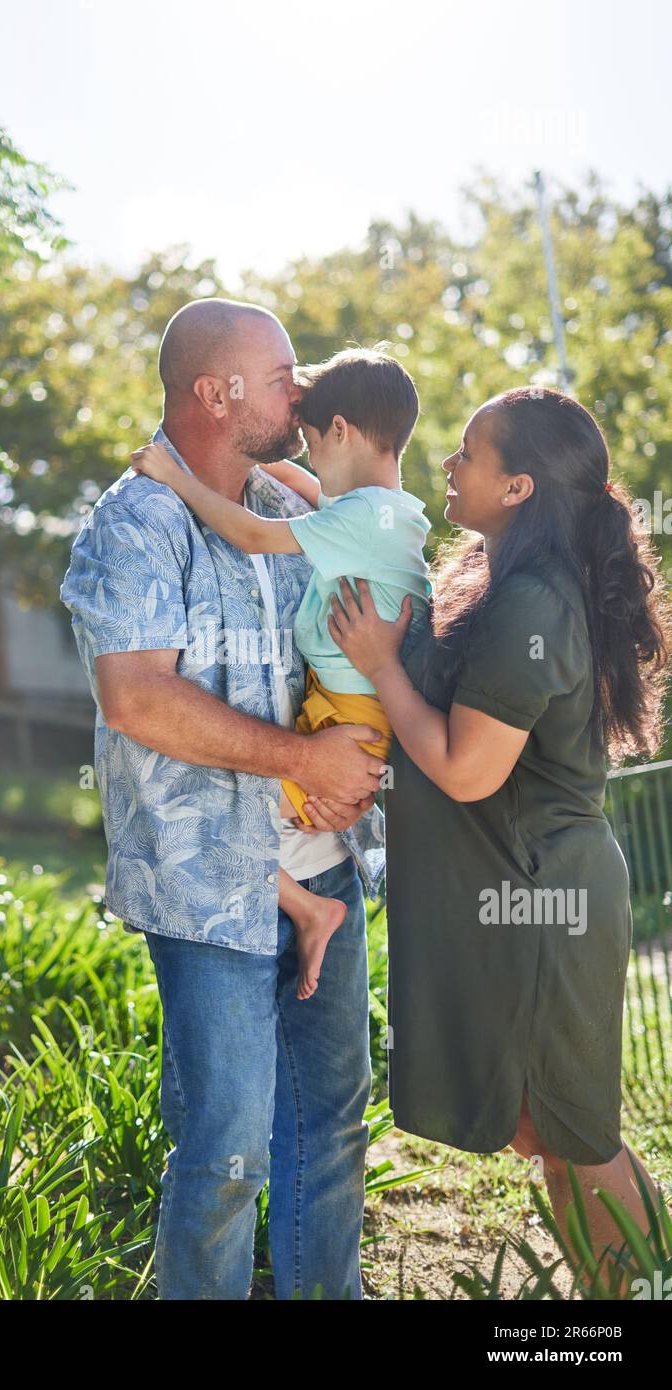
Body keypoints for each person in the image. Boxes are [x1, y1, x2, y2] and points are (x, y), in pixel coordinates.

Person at [60, 297, 387, 1300]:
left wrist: (349, 765)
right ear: (214, 390)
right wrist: (305, 755)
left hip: (321, 876)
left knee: (329, 1132)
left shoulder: (285, 509)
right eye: (283, 373)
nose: (303, 388)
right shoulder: (133, 525)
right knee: (228, 1153)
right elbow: (139, 698)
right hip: (209, 895)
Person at [322, 386, 670, 1282]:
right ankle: (620, 1292)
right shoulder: (497, 577)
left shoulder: (533, 602)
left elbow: (466, 768)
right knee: (549, 1129)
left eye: (467, 452)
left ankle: (641, 1290)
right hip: (518, 896)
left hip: (539, 904)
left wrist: (377, 667)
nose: (447, 463)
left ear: (517, 486)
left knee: (576, 1134)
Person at [132, 347, 432, 999]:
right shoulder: (382, 511)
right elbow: (307, 489)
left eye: (309, 441)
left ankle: (310, 908)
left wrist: (177, 475)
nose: (304, 457)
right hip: (346, 703)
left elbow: (254, 534)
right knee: (259, 794)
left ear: (342, 432)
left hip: (353, 719)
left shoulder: (360, 518)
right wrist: (250, 446)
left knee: (207, 807)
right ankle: (316, 892)